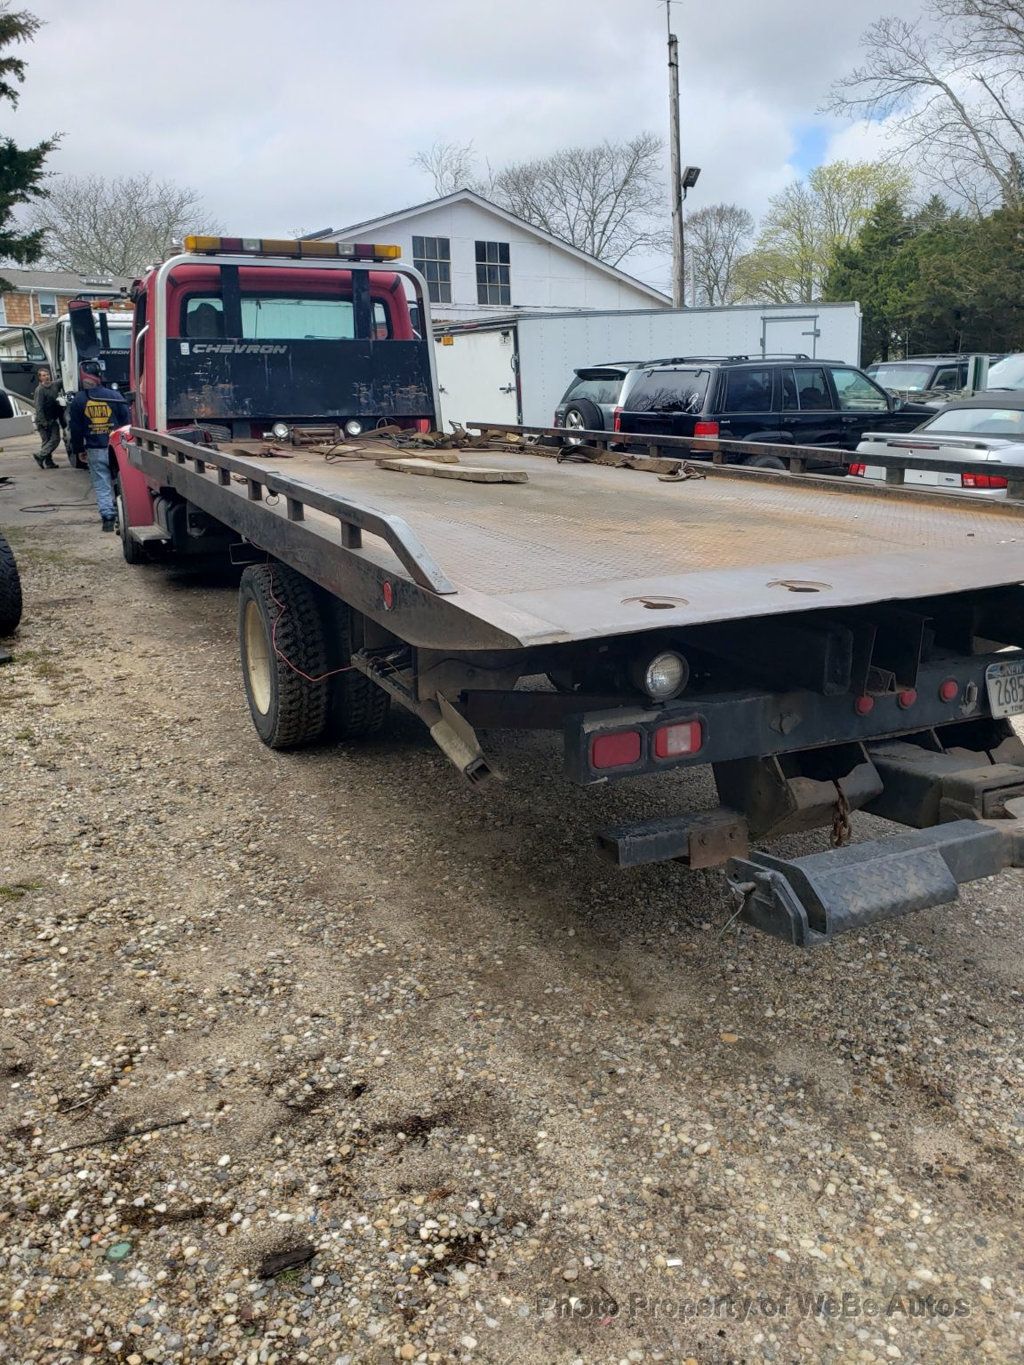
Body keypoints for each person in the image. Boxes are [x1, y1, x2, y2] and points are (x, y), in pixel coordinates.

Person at [68, 361, 129, 532]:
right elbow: (127, 422)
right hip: (117, 446)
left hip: (94, 449)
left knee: (101, 483)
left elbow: (76, 429)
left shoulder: (79, 400)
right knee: (122, 481)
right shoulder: (115, 396)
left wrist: (78, 449)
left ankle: (108, 517)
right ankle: (124, 513)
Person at [32, 365, 65, 469]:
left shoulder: (54, 385)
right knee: (51, 440)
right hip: (43, 421)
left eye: (47, 374)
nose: (46, 377)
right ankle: (42, 457)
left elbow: (64, 380)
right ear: (40, 378)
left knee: (50, 441)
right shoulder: (40, 390)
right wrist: (44, 423)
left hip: (52, 419)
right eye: (43, 375)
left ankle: (46, 460)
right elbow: (39, 407)